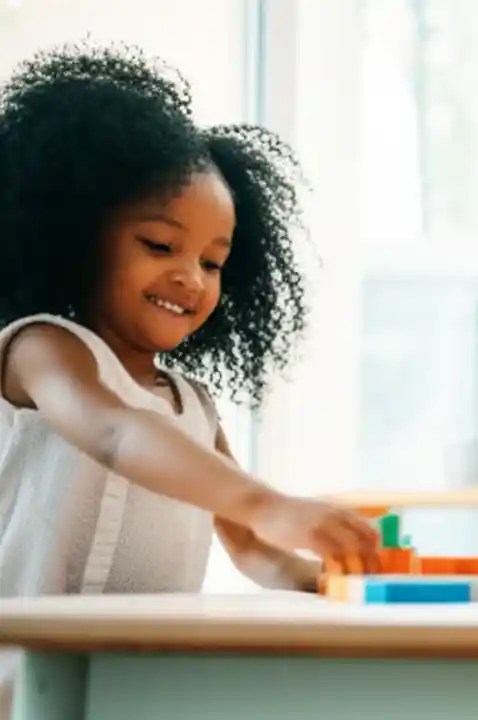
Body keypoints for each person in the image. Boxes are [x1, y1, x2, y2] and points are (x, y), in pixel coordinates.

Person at [0, 42, 381, 600]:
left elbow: (253, 552)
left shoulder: (192, 405)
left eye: (212, 261)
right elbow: (114, 429)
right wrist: (268, 503)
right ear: (75, 235)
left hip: (137, 675)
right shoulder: (43, 349)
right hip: (23, 676)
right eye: (160, 245)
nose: (193, 279)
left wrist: (329, 580)